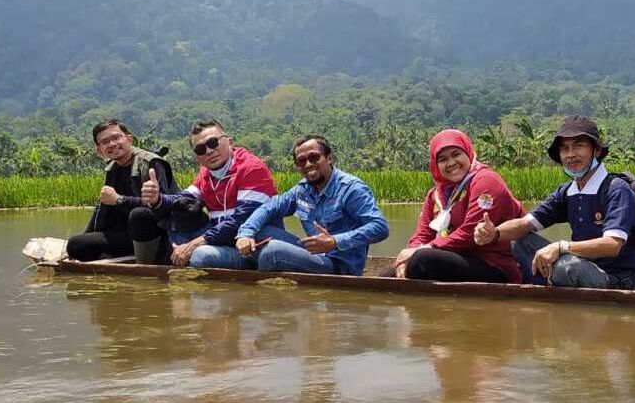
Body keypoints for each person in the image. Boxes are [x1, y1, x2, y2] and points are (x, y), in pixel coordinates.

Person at [474, 116, 635, 290]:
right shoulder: (567, 192)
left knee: (566, 267)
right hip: (584, 269)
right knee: (519, 240)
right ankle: (540, 291)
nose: (570, 155)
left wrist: (562, 247)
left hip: (620, 279)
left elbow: (612, 245)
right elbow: (526, 223)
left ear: (596, 151)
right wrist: (495, 233)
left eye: (578, 146)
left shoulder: (616, 189)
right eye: (565, 149)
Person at [141, 119, 287, 269]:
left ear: (230, 142)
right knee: (174, 216)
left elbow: (241, 220)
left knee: (201, 255)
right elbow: (183, 200)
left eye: (213, 142)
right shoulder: (206, 173)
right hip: (225, 241)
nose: (209, 151)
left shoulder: (251, 168)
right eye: (200, 149)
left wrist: (194, 245)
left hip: (254, 245)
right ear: (198, 158)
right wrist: (157, 198)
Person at [235, 135, 389, 275]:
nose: (308, 164)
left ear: (329, 158)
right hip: (315, 254)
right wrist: (245, 234)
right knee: (261, 231)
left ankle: (265, 297)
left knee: (272, 251)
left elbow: (379, 227)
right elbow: (269, 207)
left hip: (340, 264)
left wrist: (335, 241)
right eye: (301, 161)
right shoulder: (303, 190)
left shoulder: (351, 188)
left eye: (314, 157)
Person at [392, 129, 524, 283]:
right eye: (442, 159)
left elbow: (469, 234)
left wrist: (423, 249)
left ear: (468, 153)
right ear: (436, 165)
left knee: (421, 259)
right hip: (456, 259)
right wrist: (407, 256)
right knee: (390, 273)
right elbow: (422, 235)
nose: (451, 163)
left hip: (494, 264)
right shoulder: (435, 194)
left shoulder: (486, 181)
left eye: (456, 154)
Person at [66, 119, 177, 263]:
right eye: (105, 142)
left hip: (158, 233)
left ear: (129, 139)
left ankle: (147, 263)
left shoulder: (151, 163)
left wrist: (120, 199)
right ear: (99, 150)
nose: (112, 144)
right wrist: (87, 236)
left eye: (116, 137)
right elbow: (102, 209)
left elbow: (164, 206)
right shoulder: (112, 168)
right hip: (128, 235)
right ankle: (112, 259)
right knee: (76, 245)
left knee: (139, 215)